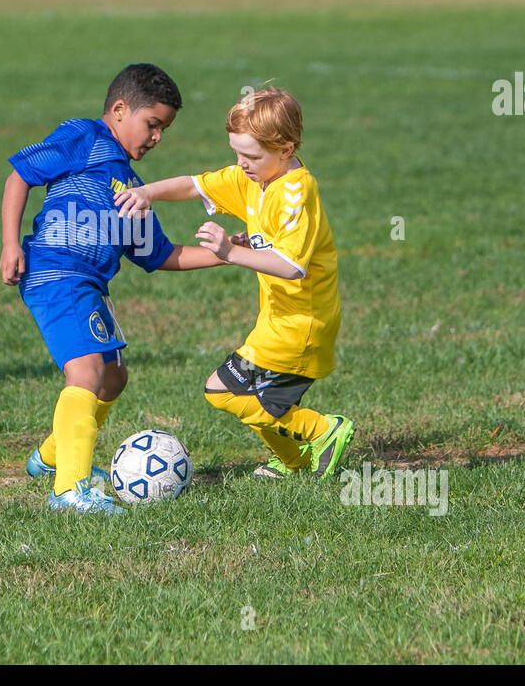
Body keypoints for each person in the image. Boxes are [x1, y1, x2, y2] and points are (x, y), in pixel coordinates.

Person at [0, 64, 227, 514]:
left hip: (91, 286)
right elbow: (20, 176)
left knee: (114, 377)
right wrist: (10, 244)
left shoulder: (134, 190)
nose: (158, 136)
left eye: (164, 129)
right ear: (120, 109)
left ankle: (51, 458)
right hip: (56, 272)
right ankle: (69, 491)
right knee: (85, 373)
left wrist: (230, 252)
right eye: (153, 124)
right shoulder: (84, 137)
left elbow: (162, 255)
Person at [114, 88, 354, 479]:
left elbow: (292, 267)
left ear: (286, 148)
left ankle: (325, 430)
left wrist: (229, 251)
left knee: (222, 391)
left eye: (251, 156)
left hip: (303, 323)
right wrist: (146, 192)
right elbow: (195, 185)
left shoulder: (296, 191)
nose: (241, 164)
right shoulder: (254, 178)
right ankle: (294, 462)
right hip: (278, 320)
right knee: (259, 400)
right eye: (236, 153)